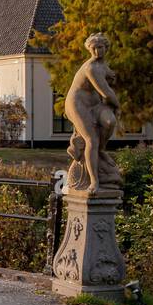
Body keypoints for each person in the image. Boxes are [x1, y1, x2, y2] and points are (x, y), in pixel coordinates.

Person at [63, 33, 121, 195]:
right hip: (78, 104)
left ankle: (100, 151)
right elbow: (106, 93)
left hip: (95, 104)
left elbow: (109, 79)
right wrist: (118, 106)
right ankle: (94, 181)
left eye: (100, 48)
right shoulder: (91, 68)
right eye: (93, 49)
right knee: (91, 139)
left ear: (106, 48)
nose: (96, 52)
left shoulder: (103, 65)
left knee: (110, 122)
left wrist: (110, 75)